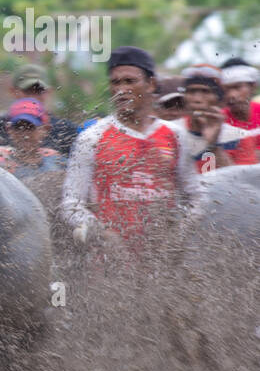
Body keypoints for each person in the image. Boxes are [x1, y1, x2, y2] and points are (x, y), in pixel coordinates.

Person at [60, 46, 203, 254]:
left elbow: (195, 197)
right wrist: (102, 234)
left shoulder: (175, 136)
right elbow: (71, 204)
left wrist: (178, 235)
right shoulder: (92, 137)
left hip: (165, 259)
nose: (120, 89)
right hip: (109, 262)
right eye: (115, 82)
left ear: (151, 84)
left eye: (130, 81)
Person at [0, 64, 79, 155]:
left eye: (39, 91)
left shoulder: (65, 130)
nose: (33, 96)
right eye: (27, 90)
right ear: (13, 91)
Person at [0, 99, 65, 180]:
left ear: (45, 129)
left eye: (30, 127)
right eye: (18, 127)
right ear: (9, 129)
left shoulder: (57, 162)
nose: (24, 134)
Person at [168, 73, 237, 172]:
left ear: (219, 101)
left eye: (206, 92)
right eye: (191, 92)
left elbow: (242, 182)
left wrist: (214, 144)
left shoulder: (238, 136)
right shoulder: (170, 131)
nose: (197, 99)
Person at [219, 59, 260, 165]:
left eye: (237, 87)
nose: (231, 95)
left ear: (253, 86)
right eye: (226, 89)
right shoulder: (217, 122)